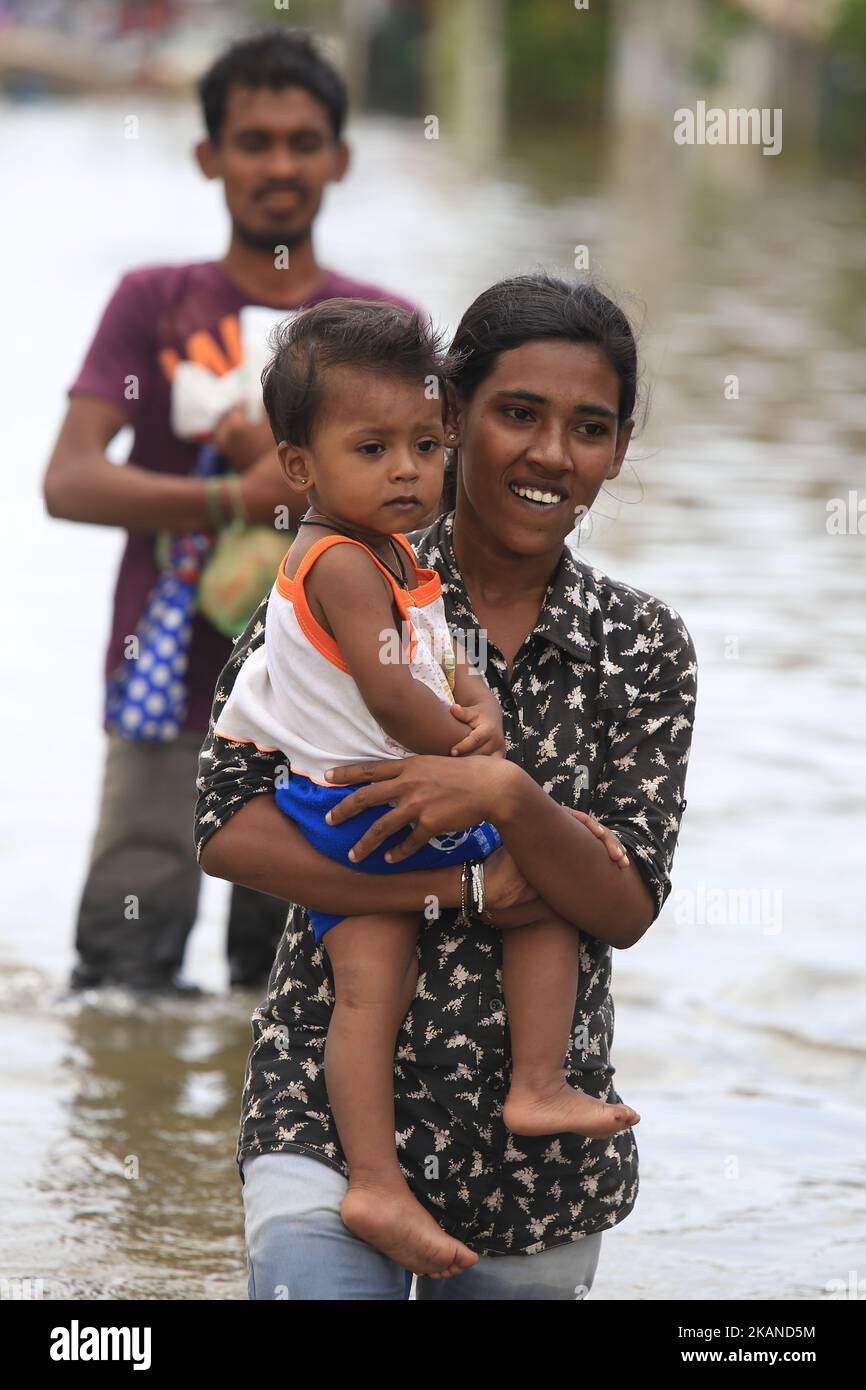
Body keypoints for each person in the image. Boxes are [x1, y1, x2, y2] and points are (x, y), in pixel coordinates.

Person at [195, 273, 698, 1300]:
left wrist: (511, 797)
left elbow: (626, 900)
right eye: (517, 414)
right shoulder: (339, 572)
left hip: (532, 1174)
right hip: (326, 1125)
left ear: (619, 448)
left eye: (589, 428)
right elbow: (224, 829)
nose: (551, 455)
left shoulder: (640, 646)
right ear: (454, 413)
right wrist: (450, 891)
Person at [42, 30, 419, 994]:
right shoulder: (155, 303)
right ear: (209, 157)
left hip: (328, 692)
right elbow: (70, 480)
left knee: (293, 980)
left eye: (303, 142)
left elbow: (427, 507)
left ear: (340, 157)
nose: (280, 165)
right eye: (254, 142)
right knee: (126, 970)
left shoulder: (375, 330)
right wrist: (234, 497)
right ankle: (141, 1132)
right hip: (163, 676)